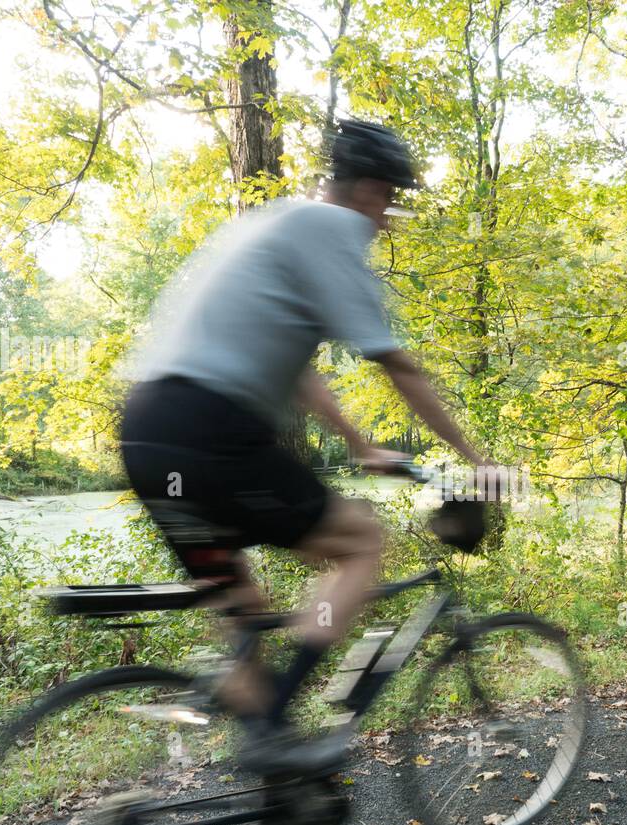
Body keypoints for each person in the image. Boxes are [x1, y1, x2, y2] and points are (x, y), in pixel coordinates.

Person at [120, 119, 487, 774]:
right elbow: (396, 363)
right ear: (372, 190)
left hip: (149, 433)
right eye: (391, 202)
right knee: (362, 539)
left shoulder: (272, 224)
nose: (387, 222)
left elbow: (298, 369)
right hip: (212, 430)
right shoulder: (334, 229)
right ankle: (284, 740)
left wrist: (361, 444)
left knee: (245, 623)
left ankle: (266, 758)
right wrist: (475, 457)